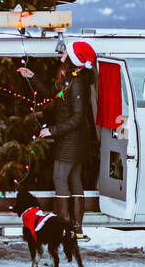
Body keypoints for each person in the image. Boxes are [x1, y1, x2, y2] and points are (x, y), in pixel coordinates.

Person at [17, 39, 98, 240]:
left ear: (73, 58)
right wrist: (32, 76)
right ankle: (76, 229)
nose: (61, 53)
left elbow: (78, 118)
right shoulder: (72, 80)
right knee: (74, 179)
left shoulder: (77, 83)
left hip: (72, 140)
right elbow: (51, 93)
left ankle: (63, 227)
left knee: (60, 178)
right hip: (73, 139)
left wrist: (52, 131)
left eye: (65, 52)